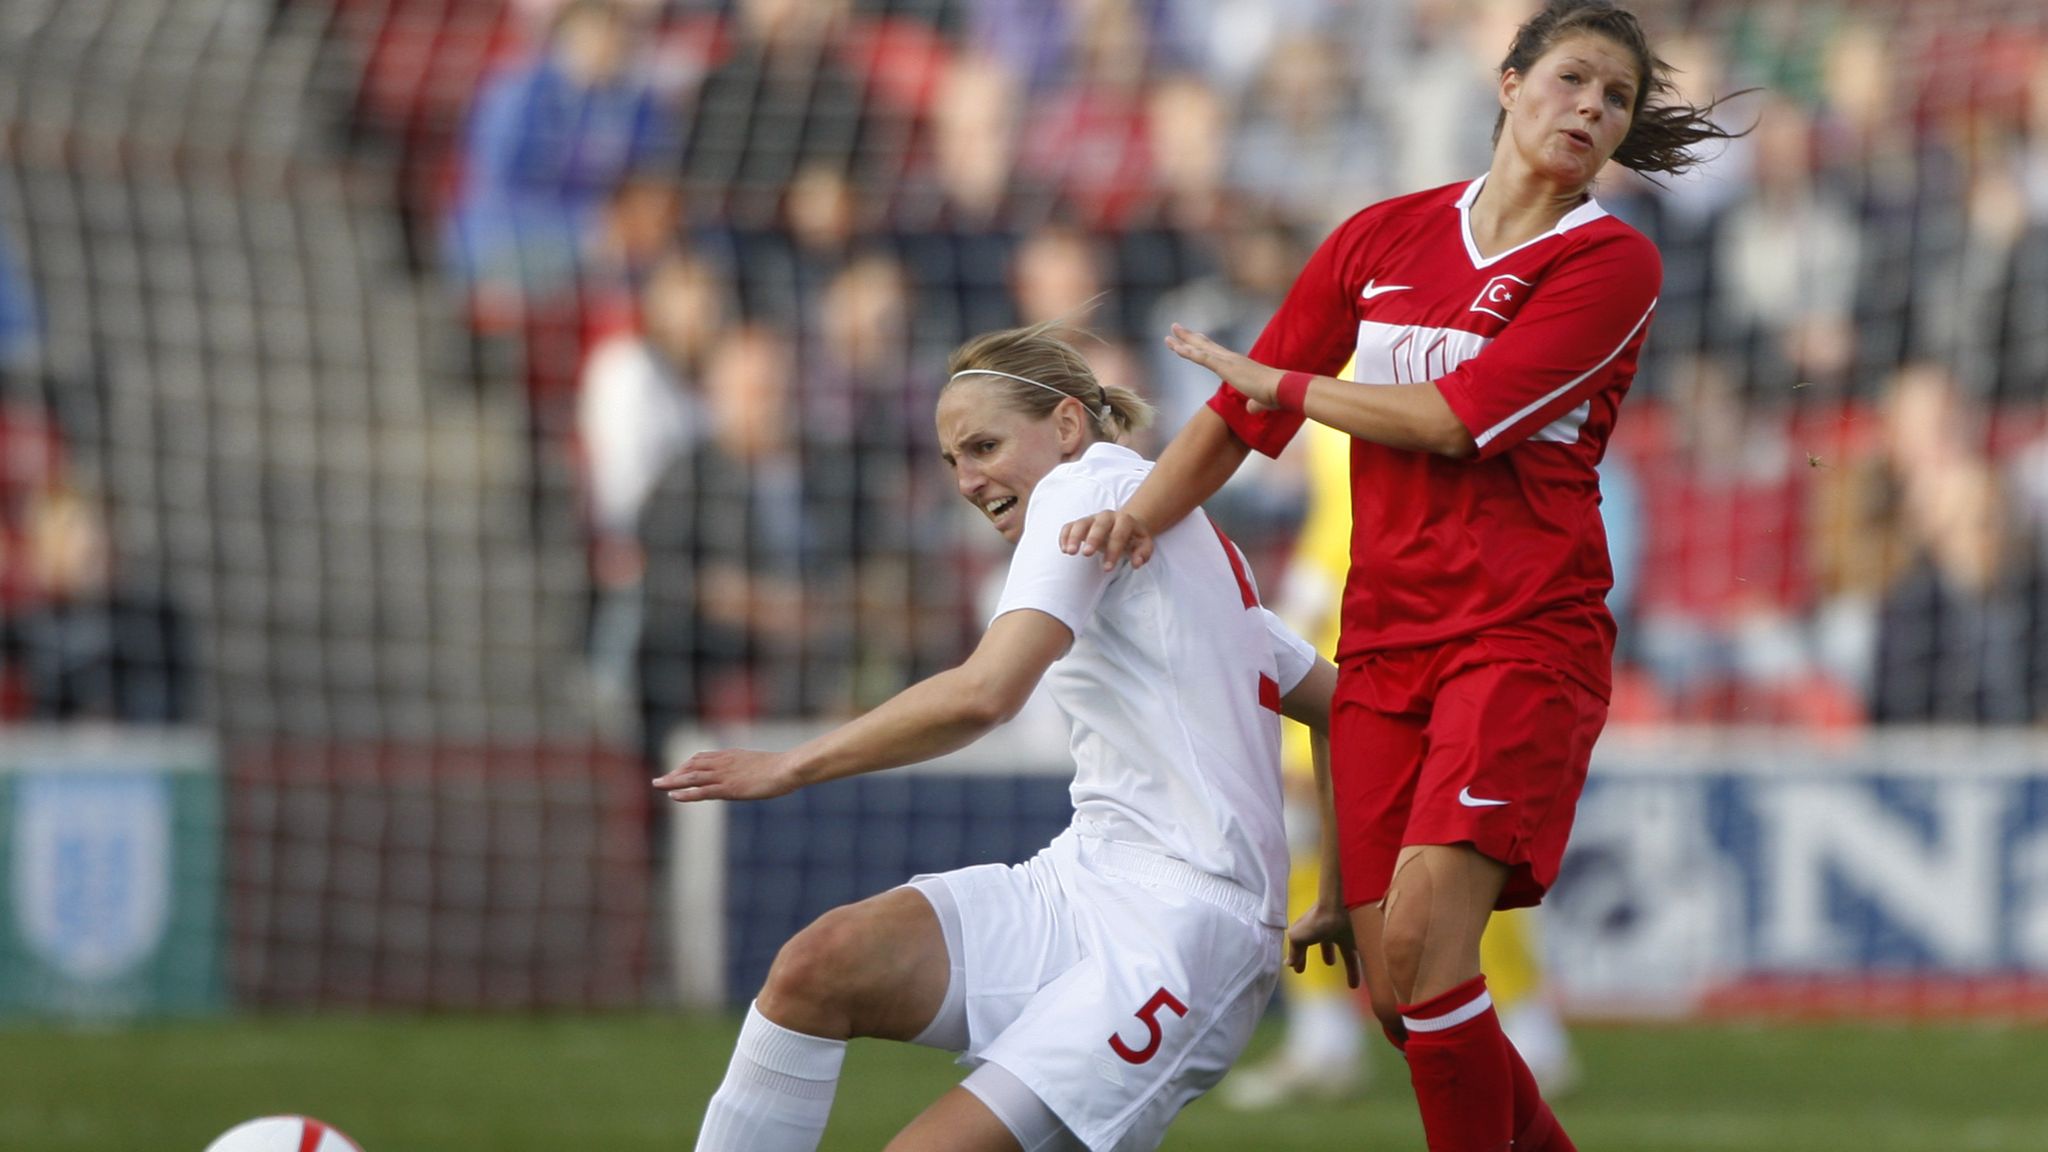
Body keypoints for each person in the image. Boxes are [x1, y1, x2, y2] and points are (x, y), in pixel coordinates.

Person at [1061, 4, 1744, 1149]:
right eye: (1571, 79)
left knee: (1429, 958)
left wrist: (1283, 384)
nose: (1589, 108)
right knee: (1395, 995)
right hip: (1383, 640)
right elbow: (1235, 413)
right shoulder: (1378, 238)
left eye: (1614, 100)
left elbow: (1451, 421)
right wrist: (1134, 521)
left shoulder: (1608, 260)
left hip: (1521, 635)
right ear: (1509, 80)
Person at [662, 321, 1347, 1152]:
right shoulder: (1171, 530)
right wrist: (1335, 895)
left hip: (1180, 938)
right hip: (1084, 881)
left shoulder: (1082, 489)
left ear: (1065, 425)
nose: (966, 479)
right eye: (953, 460)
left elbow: (985, 694)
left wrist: (788, 766)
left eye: (983, 445)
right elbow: (1342, 710)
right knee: (820, 966)